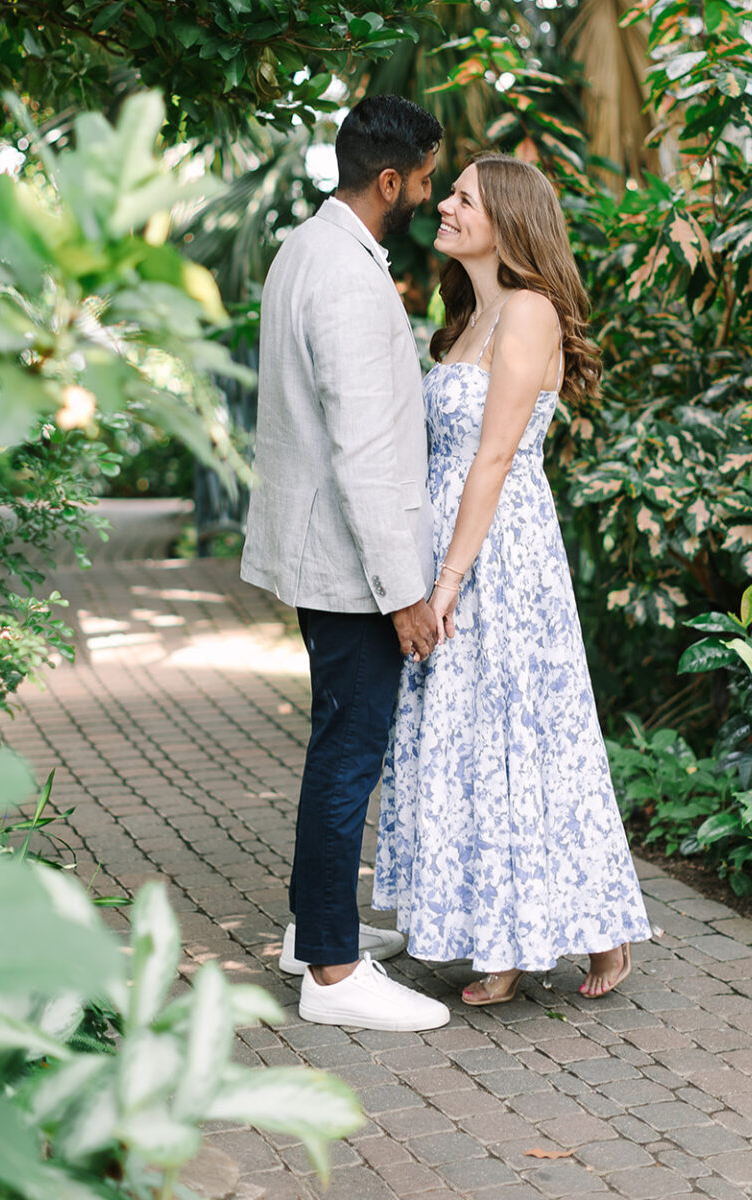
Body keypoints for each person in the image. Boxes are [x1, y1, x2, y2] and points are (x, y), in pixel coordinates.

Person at [373, 153, 652, 1005]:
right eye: (449, 193)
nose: (444, 206)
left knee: (520, 738)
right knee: (463, 741)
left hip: (501, 558)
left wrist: (449, 579)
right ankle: (497, 931)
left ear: (508, 221)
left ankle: (564, 936)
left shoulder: (528, 312)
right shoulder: (466, 320)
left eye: (463, 198)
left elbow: (495, 455)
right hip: (448, 542)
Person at [241, 94, 450, 1032]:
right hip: (352, 561)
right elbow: (366, 452)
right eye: (428, 178)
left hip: (317, 546)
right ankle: (330, 974)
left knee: (337, 743)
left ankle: (310, 927)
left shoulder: (305, 248)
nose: (432, 195)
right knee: (348, 756)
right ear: (391, 180)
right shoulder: (349, 279)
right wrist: (404, 593)